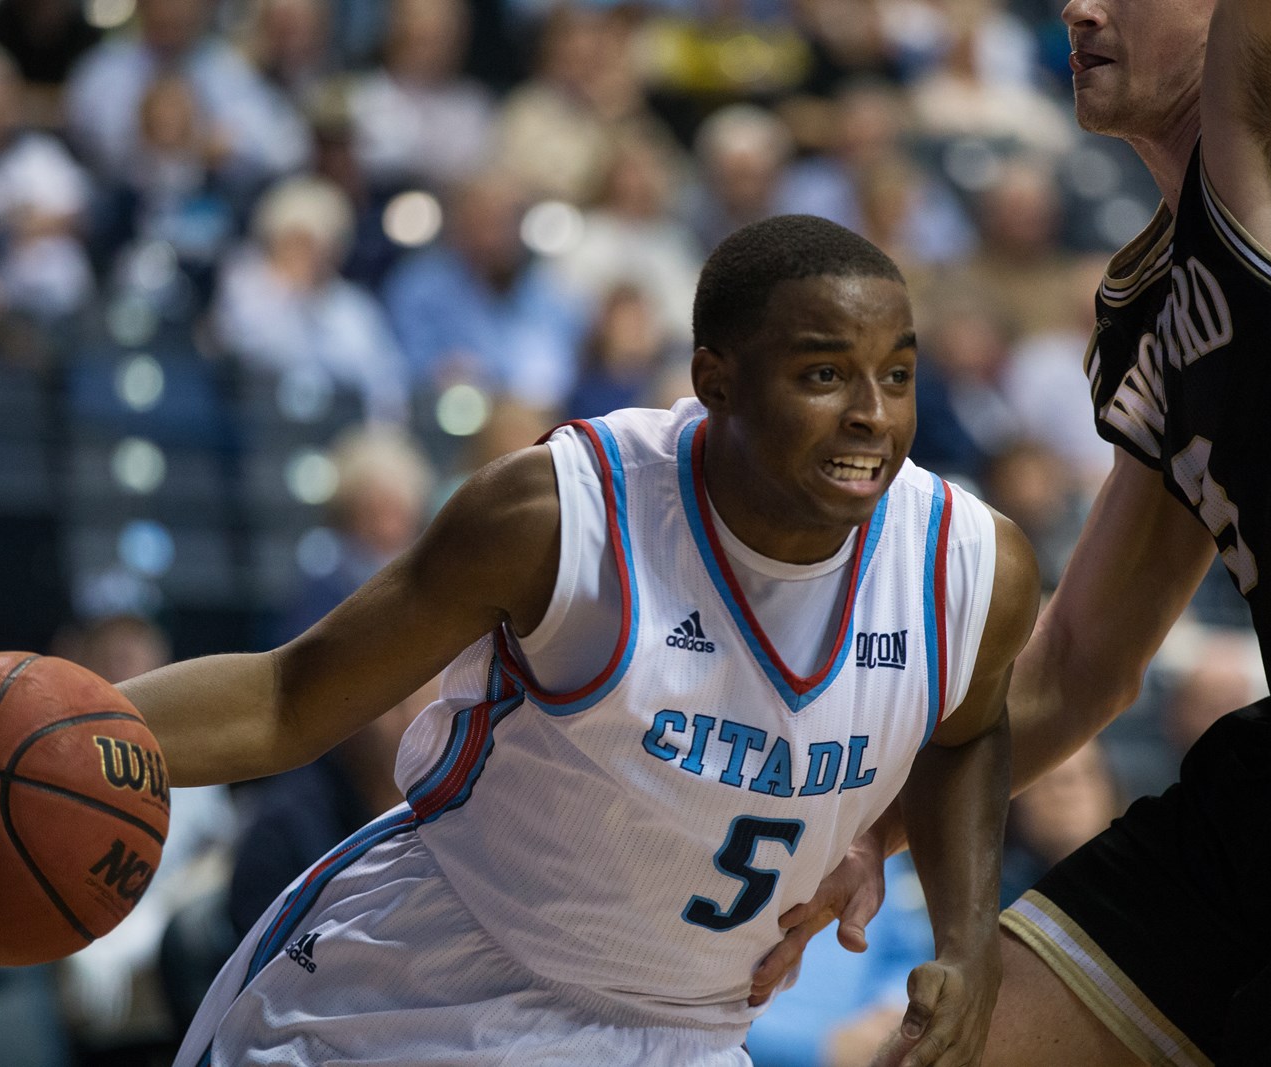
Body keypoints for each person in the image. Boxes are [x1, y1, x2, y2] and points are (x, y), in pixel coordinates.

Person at [77, 214, 1040, 1065]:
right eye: (824, 373)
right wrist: (43, 730)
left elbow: (967, 734)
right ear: (718, 380)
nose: (873, 412)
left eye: (899, 374)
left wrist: (966, 941)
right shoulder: (559, 513)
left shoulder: (967, 566)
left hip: (687, 1036)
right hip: (423, 990)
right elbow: (287, 699)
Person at [773, 1, 1271, 1064]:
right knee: (940, 1046)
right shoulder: (1146, 305)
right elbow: (1074, 664)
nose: (1078, 9)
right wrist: (871, 824)